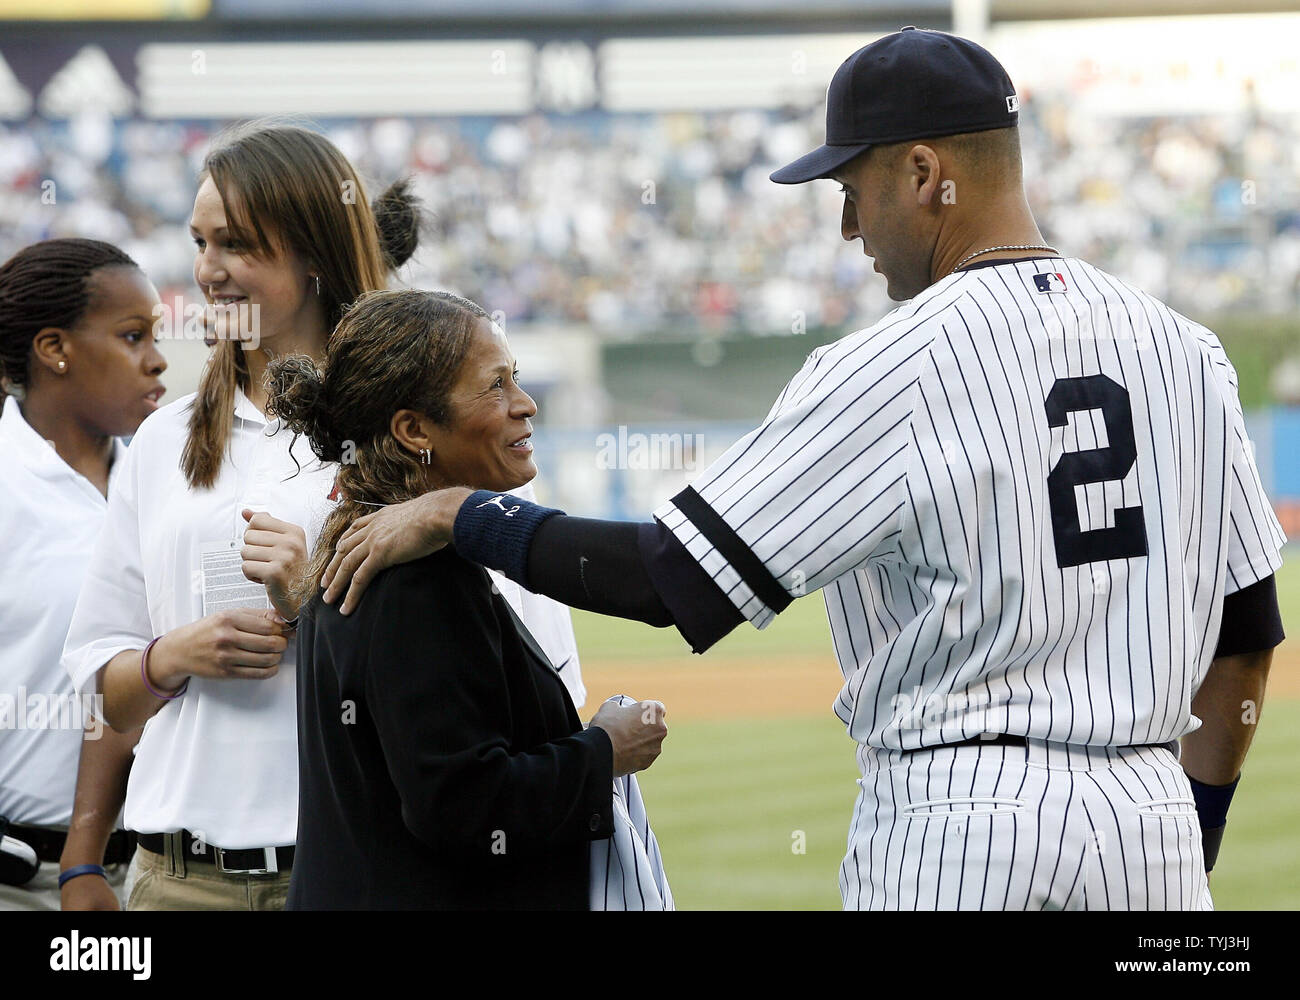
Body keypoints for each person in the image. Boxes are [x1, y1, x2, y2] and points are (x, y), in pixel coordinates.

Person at [316, 28, 1286, 910]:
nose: (847, 230)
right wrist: (1182, 826)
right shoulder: (1185, 351)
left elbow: (672, 577)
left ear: (922, 172)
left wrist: (461, 516)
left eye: (848, 192)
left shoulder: (891, 364)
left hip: (961, 827)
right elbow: (1244, 640)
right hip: (1150, 820)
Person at [59, 122, 424, 910]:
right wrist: (172, 656)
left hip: (348, 875)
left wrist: (315, 605)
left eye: (237, 244)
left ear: (316, 254)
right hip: (174, 881)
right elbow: (104, 694)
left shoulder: (413, 432)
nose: (207, 270)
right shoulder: (162, 441)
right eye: (200, 241)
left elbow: (489, 675)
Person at [265, 288, 667, 910]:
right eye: (496, 386)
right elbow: (461, 807)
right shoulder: (413, 580)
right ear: (414, 429)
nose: (526, 405)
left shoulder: (361, 543)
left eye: (518, 380)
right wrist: (604, 751)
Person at [0, 238, 167, 910]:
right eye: (133, 336)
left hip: (163, 874)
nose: (157, 358)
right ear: (54, 349)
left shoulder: (173, 482)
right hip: (22, 879)